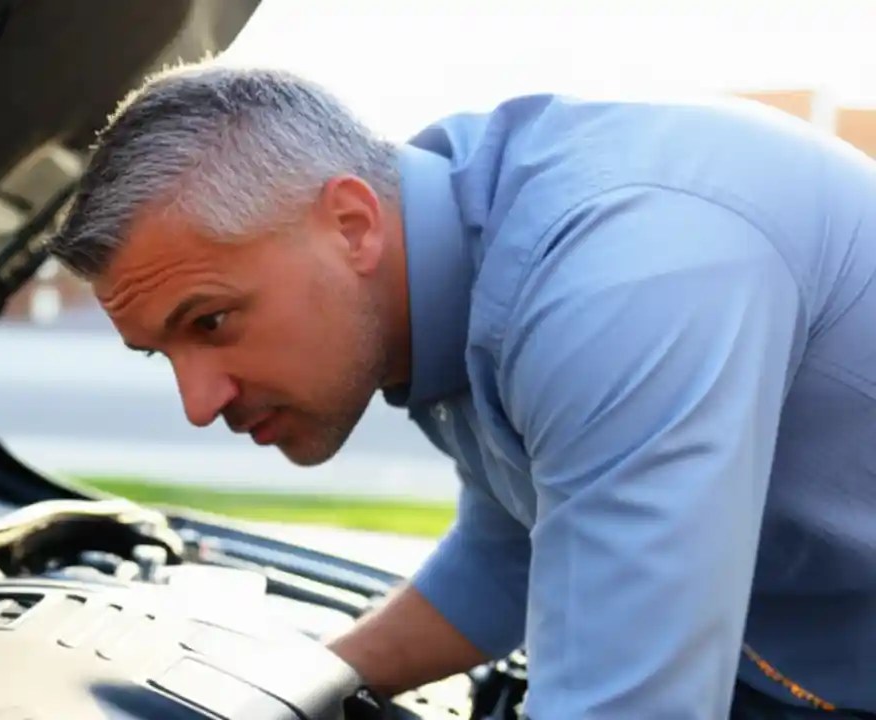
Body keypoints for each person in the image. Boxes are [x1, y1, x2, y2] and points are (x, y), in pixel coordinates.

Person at [46, 63, 876, 718]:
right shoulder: (458, 274)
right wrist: (284, 691)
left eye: (214, 322)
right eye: (163, 354)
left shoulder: (612, 279)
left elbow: (624, 707)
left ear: (351, 224)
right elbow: (510, 554)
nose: (198, 402)